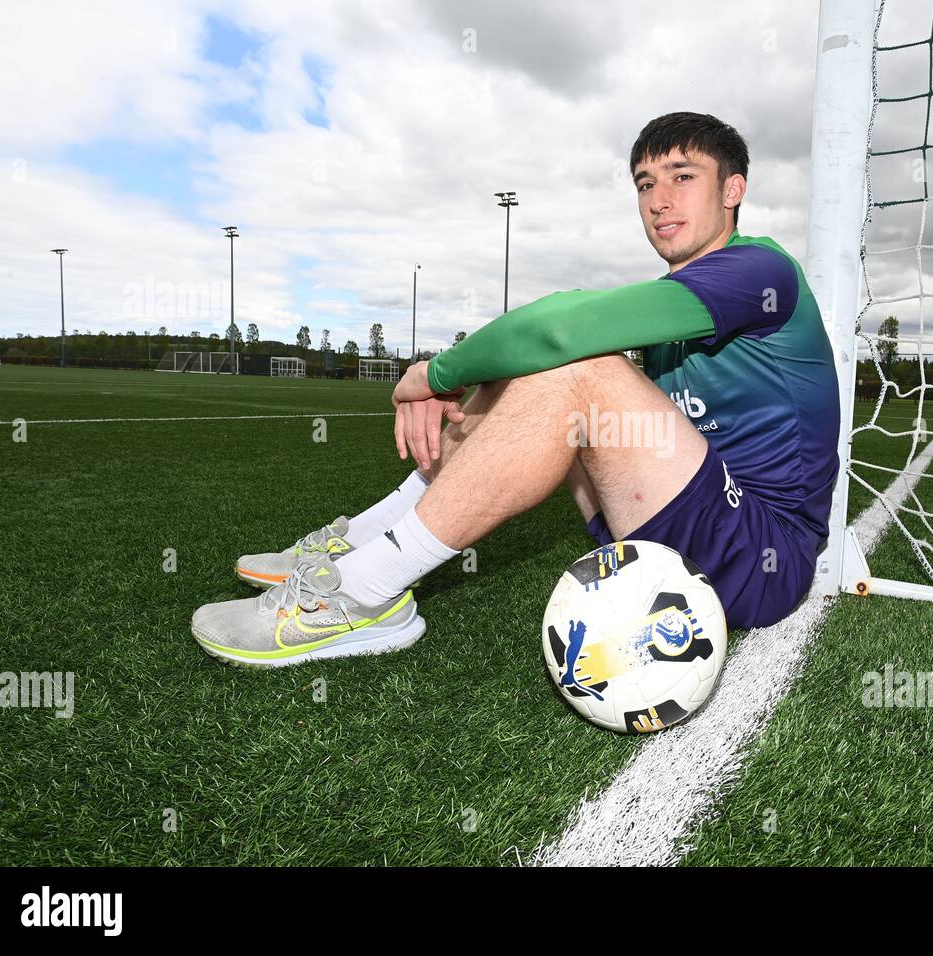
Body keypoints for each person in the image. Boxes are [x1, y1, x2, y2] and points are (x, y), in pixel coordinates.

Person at [191, 111, 839, 667]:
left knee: (574, 365)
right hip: (671, 521)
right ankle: (359, 542)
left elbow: (557, 328)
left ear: (734, 189)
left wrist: (432, 375)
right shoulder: (679, 304)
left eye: (682, 176)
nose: (659, 199)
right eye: (646, 183)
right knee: (549, 364)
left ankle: (363, 593)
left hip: (759, 558)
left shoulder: (762, 271)